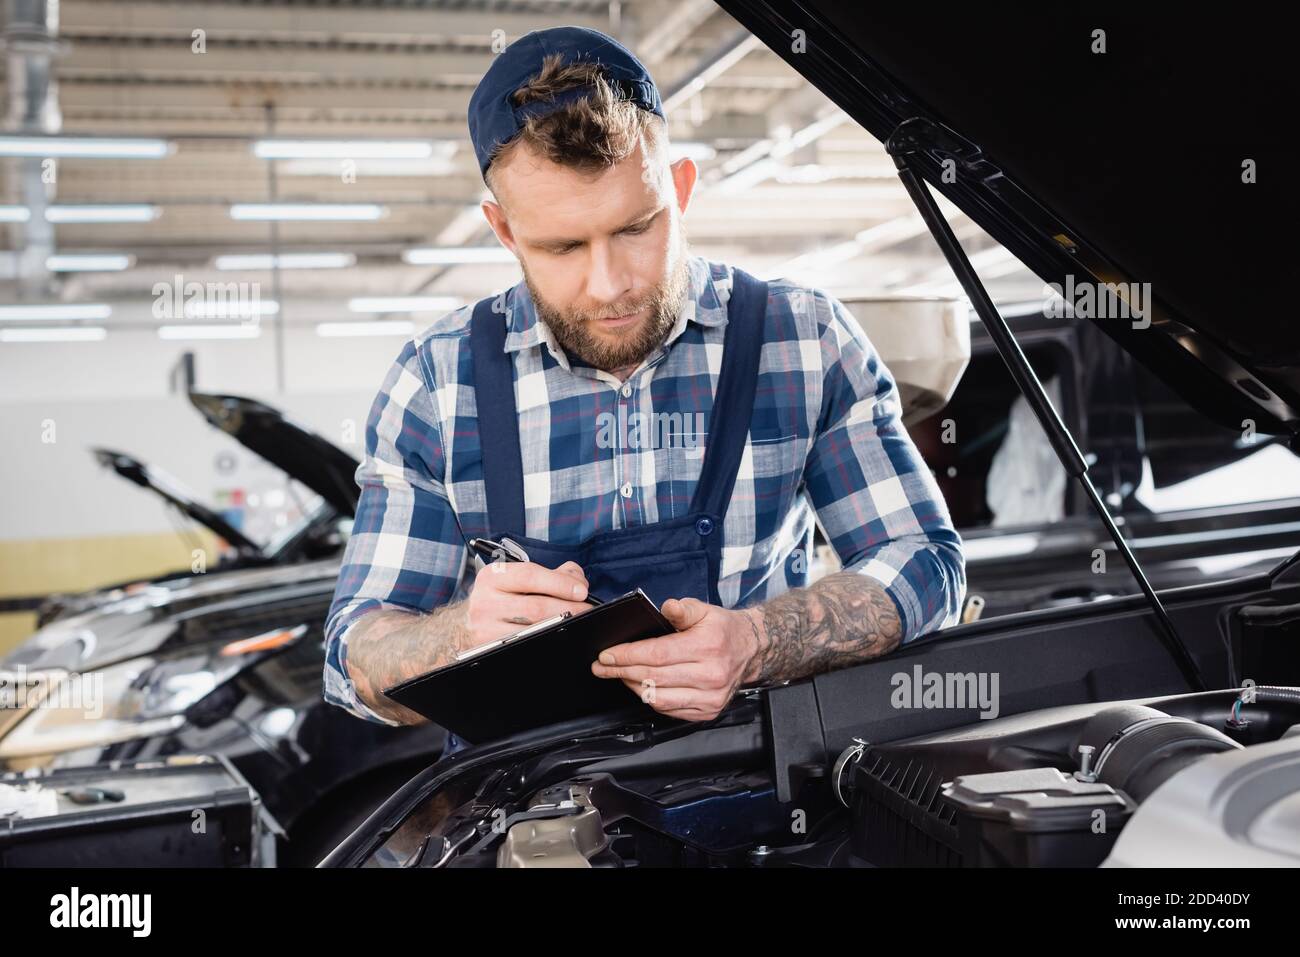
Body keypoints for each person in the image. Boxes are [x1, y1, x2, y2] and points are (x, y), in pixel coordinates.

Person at [323, 26, 965, 742]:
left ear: (680, 189)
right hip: (530, 812)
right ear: (505, 232)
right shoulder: (438, 386)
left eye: (636, 227)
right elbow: (355, 655)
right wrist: (455, 636)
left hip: (765, 789)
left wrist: (756, 638)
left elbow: (927, 563)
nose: (610, 284)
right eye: (562, 246)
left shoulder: (802, 339)